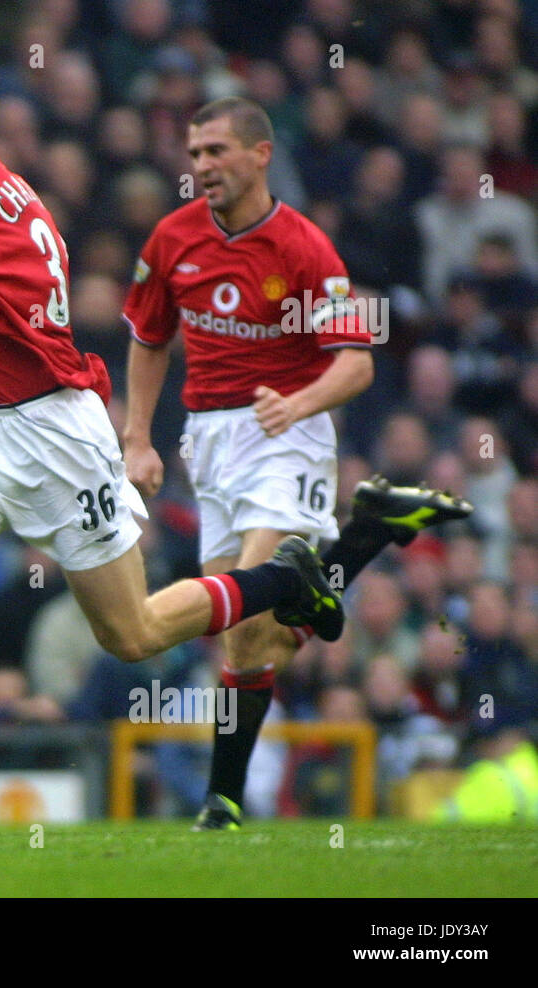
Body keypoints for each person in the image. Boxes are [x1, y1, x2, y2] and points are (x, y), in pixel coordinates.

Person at [0, 62, 347, 817]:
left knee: (133, 634)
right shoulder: (7, 190)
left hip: (54, 436)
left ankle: (283, 580)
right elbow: (14, 295)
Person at [121, 96, 473, 830]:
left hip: (286, 435)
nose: (202, 165)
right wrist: (138, 438)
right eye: (195, 153)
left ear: (261, 155)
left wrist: (299, 404)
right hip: (207, 440)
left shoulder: (305, 247)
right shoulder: (172, 237)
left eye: (217, 151)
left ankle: (220, 803)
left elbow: (357, 363)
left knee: (249, 613)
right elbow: (149, 339)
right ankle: (364, 538)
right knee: (246, 635)